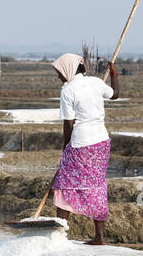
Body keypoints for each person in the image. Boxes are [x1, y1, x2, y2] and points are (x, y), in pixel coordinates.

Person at [51, 53, 120, 245]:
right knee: (96, 185)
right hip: (101, 143)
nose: (58, 77)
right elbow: (115, 94)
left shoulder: (68, 91)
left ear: (68, 71)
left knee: (64, 185)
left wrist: (66, 147)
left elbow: (68, 124)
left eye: (59, 73)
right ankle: (99, 237)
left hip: (81, 144)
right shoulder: (96, 83)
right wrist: (114, 74)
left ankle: (59, 236)